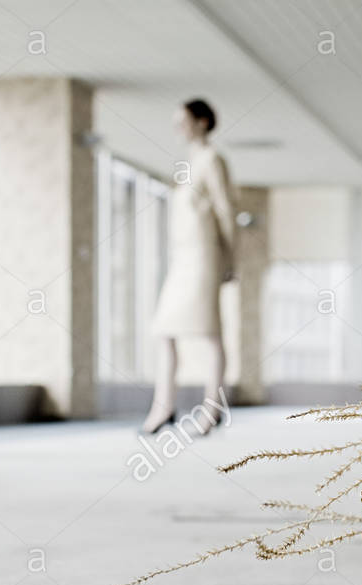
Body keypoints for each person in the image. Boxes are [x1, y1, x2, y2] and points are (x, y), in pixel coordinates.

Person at [141, 98, 236, 436]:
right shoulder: (191, 163)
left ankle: (213, 408)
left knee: (209, 333)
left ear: (202, 122)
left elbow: (226, 212)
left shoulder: (213, 160)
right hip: (183, 259)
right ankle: (163, 407)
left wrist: (230, 258)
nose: (177, 127)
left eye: (182, 120)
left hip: (205, 257)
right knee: (163, 330)